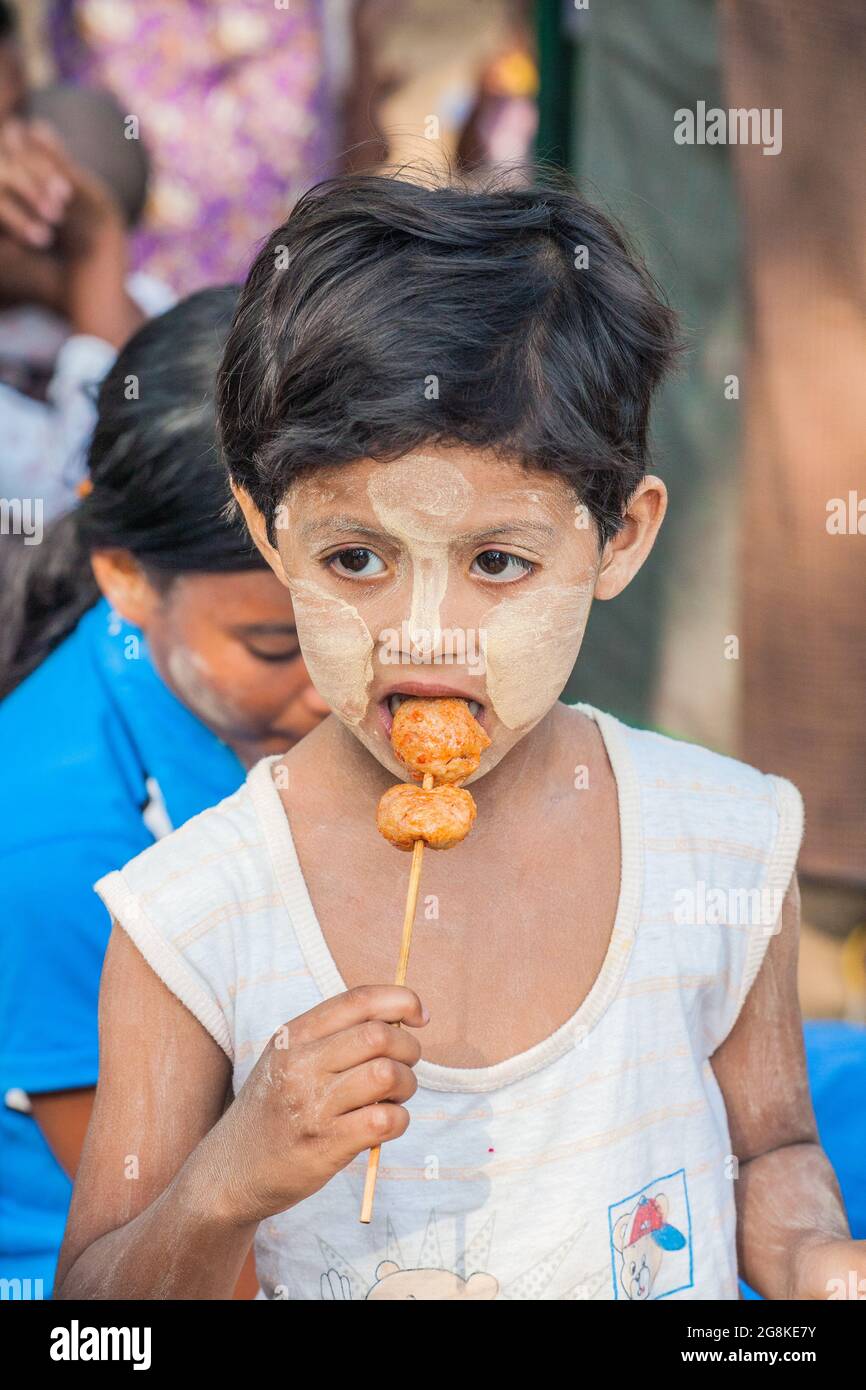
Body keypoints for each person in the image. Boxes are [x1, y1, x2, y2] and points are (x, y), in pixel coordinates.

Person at [56, 175, 864, 1301]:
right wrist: (225, 1182)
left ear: (619, 538)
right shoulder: (193, 919)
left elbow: (770, 1147)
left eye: (497, 562)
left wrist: (821, 1266)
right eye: (355, 560)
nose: (423, 637)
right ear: (266, 533)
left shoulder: (724, 843)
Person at [0, 286, 330, 1299]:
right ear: (125, 577)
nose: (335, 688)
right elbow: (157, 1235)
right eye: (276, 645)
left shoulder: (273, 710)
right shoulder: (53, 844)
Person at [0, 84, 172, 521]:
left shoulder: (143, 302)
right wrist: (94, 251)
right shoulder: (135, 298)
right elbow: (76, 499)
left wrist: (89, 260)